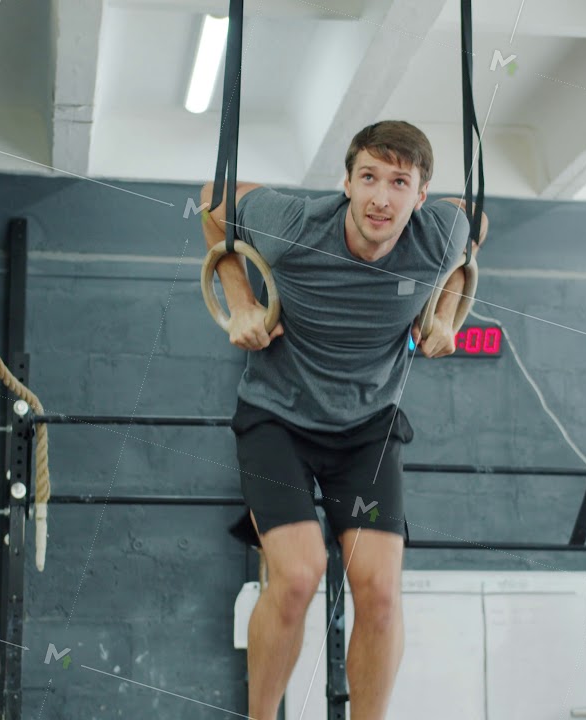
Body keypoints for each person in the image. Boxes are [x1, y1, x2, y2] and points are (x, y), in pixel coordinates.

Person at [199, 120, 488, 720]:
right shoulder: (296, 227)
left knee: (380, 595)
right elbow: (212, 200)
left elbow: (476, 225)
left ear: (420, 196)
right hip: (278, 422)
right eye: (369, 178)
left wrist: (448, 312)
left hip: (366, 434)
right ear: (348, 182)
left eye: (399, 182)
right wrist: (243, 302)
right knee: (302, 574)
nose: (382, 197)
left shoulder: (439, 235)